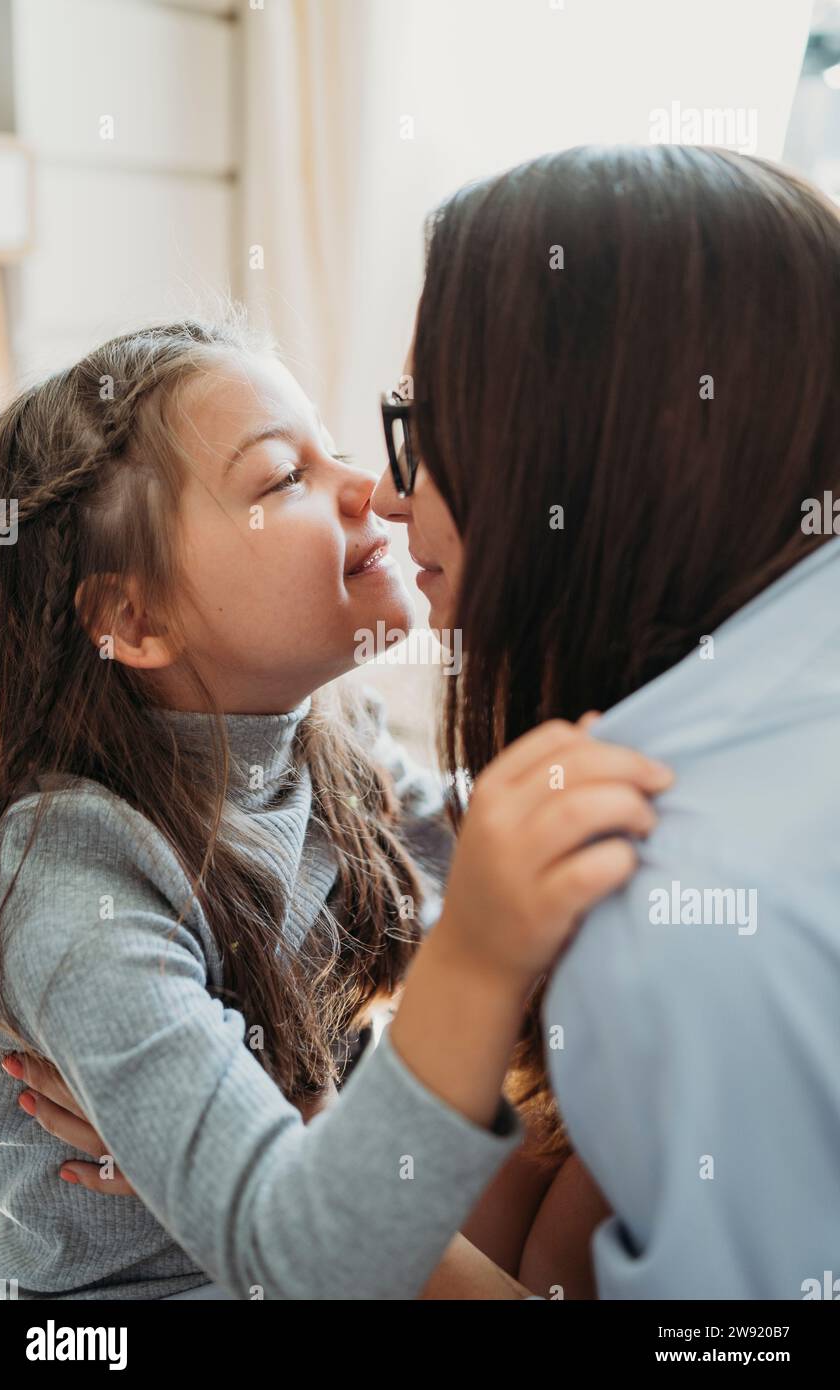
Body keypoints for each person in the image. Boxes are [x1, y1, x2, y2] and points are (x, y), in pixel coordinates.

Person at [0, 313, 664, 1299]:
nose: (373, 491)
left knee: (591, 1152)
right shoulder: (75, 875)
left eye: (335, 454)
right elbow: (298, 1262)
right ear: (131, 617)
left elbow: (492, 847)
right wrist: (475, 951)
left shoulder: (327, 742)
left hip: (303, 1216)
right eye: (282, 479)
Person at [370, 142, 840, 1298]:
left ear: (570, 456)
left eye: (421, 433)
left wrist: (276, 1185)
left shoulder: (680, 908)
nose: (384, 496)